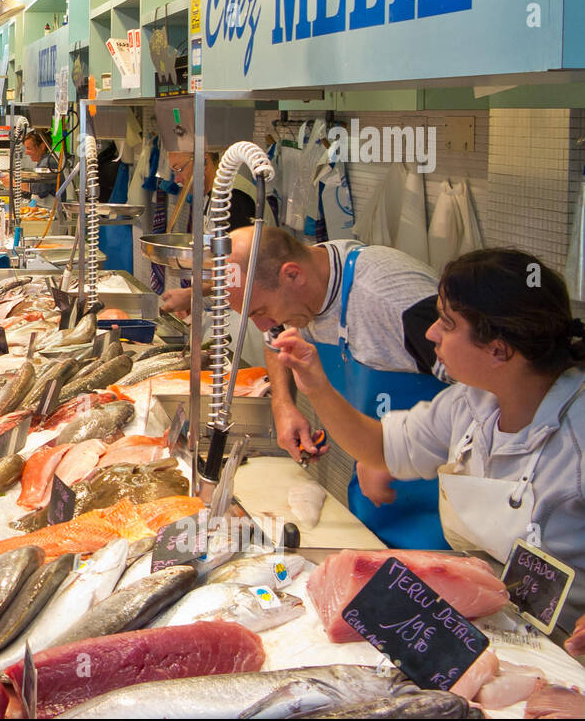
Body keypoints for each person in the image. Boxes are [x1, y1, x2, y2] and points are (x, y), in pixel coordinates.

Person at [272, 249, 585, 636]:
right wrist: (317, 387)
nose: (431, 333)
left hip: (565, 652)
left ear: (498, 350)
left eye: (448, 324)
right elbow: (380, 448)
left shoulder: (577, 433)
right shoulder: (470, 403)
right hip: (486, 623)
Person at [223, 224, 448, 548]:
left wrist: (399, 454)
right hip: (375, 497)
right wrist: (283, 405)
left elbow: (482, 395)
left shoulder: (393, 300)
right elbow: (274, 341)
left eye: (260, 311)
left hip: (440, 503)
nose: (263, 324)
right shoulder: (300, 287)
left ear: (293, 275)